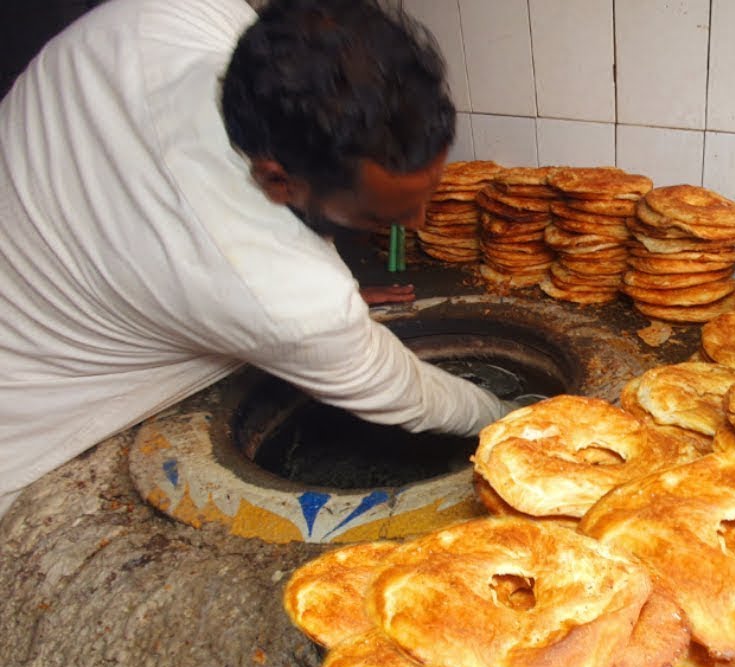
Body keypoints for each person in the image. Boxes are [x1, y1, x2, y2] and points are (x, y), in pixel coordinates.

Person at [0, 0, 513, 518]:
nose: (419, 222)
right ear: (277, 179)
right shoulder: (276, 291)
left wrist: (323, 283)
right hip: (32, 424)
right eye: (381, 216)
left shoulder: (169, 15)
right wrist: (506, 415)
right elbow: (405, 391)